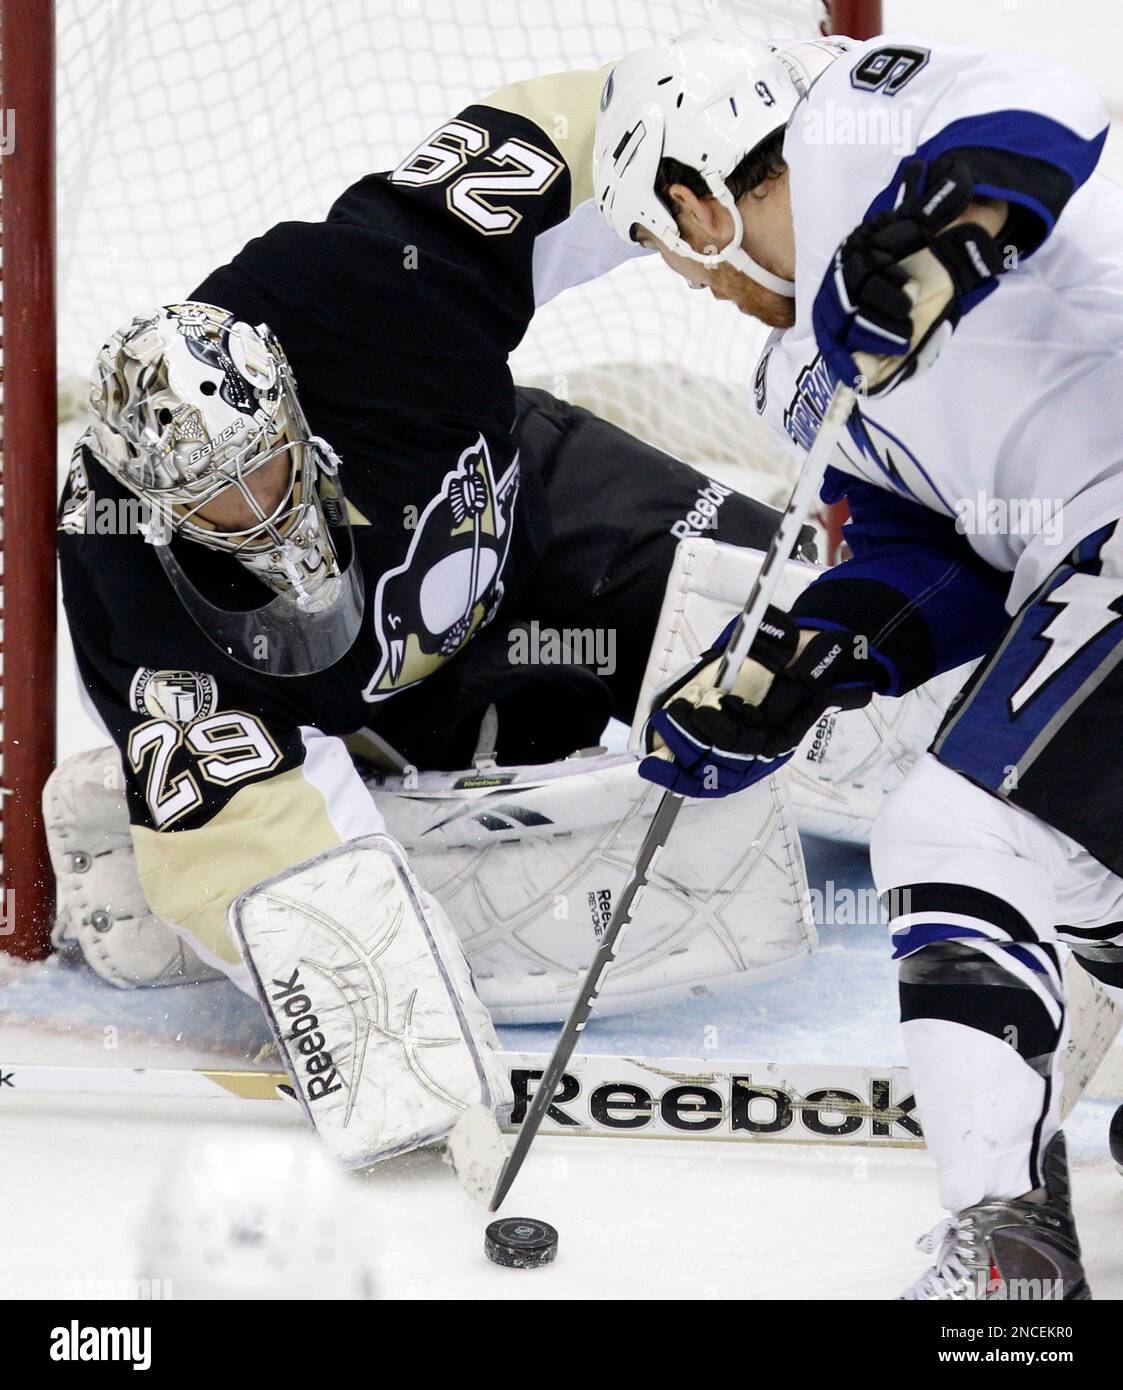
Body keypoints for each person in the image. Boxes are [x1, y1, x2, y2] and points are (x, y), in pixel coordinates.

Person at [58, 67, 805, 1165]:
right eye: (215, 500)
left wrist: (785, 166)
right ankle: (216, 832)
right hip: (381, 698)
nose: (258, 509)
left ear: (289, 400)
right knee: (461, 886)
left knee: (807, 619)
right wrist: (398, 1053)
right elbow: (250, 838)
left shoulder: (360, 295)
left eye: (265, 466)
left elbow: (591, 136)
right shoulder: (134, 592)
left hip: (542, 505)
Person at [593, 22, 1120, 1298]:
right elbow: (929, 556)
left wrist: (941, 238)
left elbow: (1045, 107)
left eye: (663, 241)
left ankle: (1007, 1267)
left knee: (954, 832)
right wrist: (799, 665)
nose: (685, 278)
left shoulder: (858, 129)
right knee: (1080, 873)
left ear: (697, 196)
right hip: (1087, 549)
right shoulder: (798, 377)